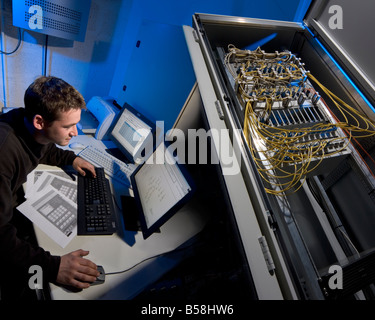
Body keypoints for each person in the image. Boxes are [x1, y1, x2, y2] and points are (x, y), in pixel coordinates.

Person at [0, 76, 100, 300]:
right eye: (68, 126)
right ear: (39, 122)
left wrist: (70, 159)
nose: (75, 132)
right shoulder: (4, 152)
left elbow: (44, 147)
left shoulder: (27, 125)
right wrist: (54, 267)